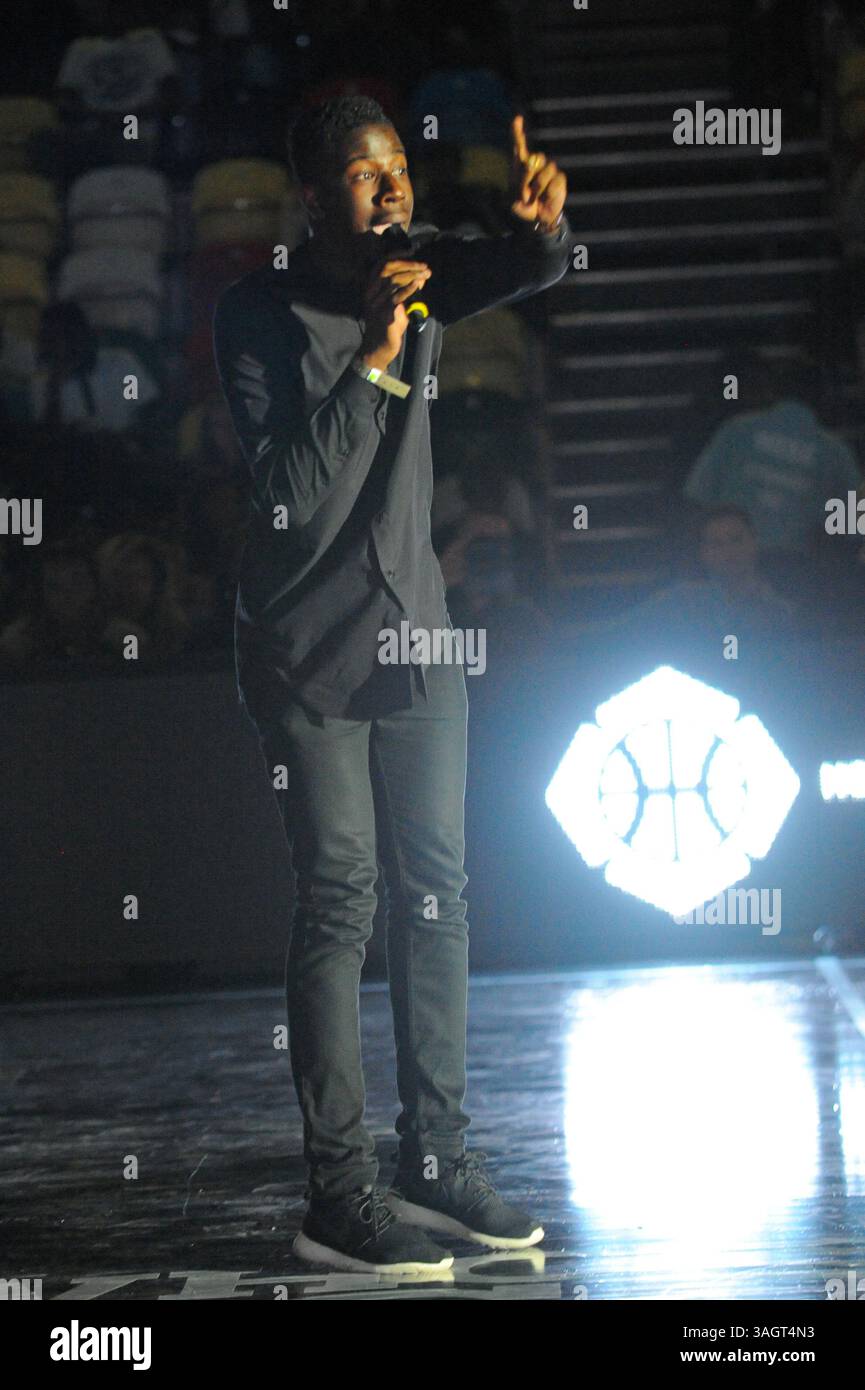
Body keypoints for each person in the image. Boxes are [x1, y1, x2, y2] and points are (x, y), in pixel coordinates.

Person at [213, 95, 572, 1275]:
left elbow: (519, 268)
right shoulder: (258, 314)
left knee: (437, 897)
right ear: (316, 195)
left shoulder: (418, 278)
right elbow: (287, 500)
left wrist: (538, 233)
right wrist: (369, 367)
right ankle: (339, 1194)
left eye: (402, 175)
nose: (394, 193)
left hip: (416, 635)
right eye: (368, 180)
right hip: (305, 647)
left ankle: (439, 1159)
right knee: (342, 901)